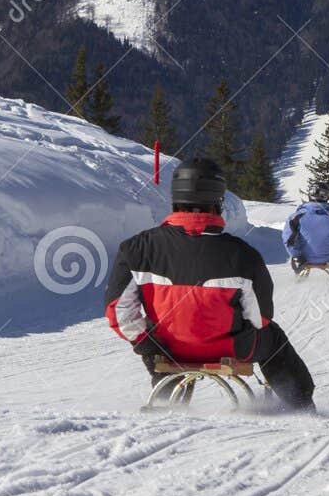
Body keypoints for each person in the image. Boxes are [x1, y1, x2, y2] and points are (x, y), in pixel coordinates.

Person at [105, 158, 316, 412]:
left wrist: (146, 342)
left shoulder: (136, 249)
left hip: (167, 349)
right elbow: (260, 318)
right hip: (232, 348)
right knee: (274, 338)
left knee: (157, 337)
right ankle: (301, 405)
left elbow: (118, 310)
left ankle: (167, 400)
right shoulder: (243, 254)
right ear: (217, 200)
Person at [283, 200, 329, 279]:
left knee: (295, 244)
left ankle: (300, 277)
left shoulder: (296, 217)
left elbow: (288, 241)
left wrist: (298, 256)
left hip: (303, 259)